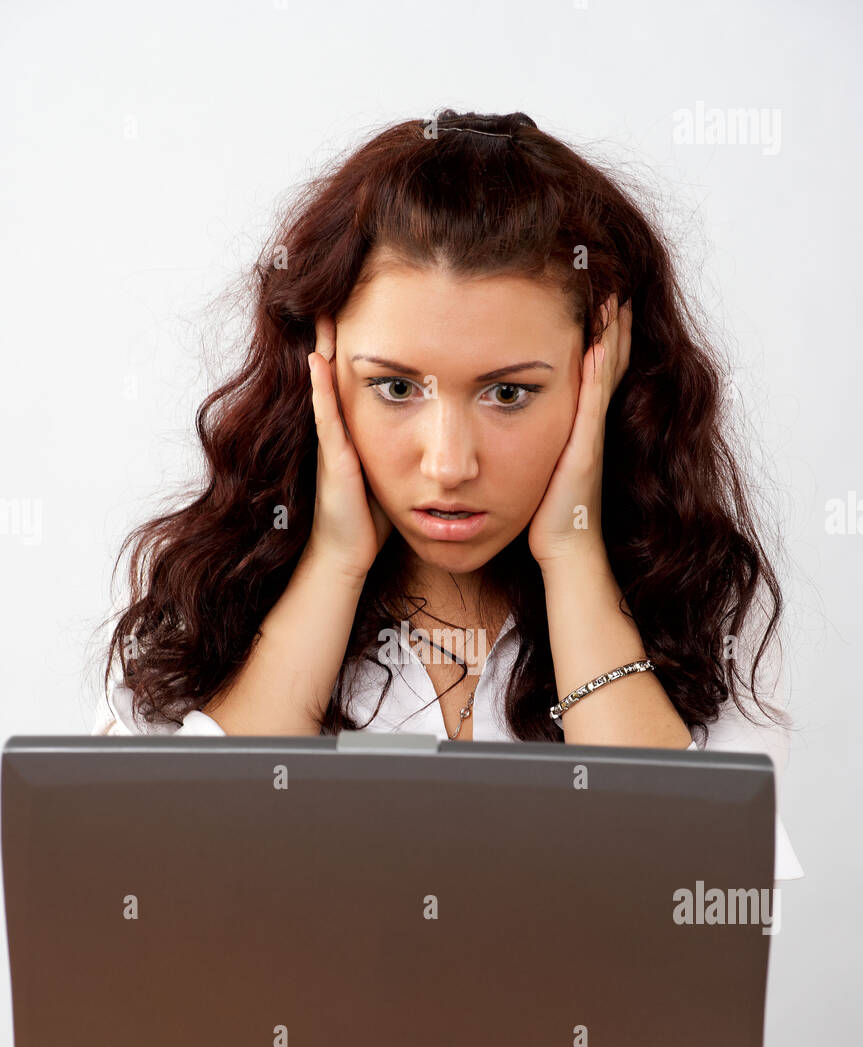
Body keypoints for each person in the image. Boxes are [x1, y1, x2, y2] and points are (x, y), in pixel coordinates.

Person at [89, 108, 803, 879]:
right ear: (319, 370)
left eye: (508, 394)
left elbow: (690, 900)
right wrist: (332, 565)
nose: (448, 464)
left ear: (601, 377)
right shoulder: (200, 592)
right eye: (394, 386)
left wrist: (571, 557)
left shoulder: (701, 603)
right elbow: (160, 886)